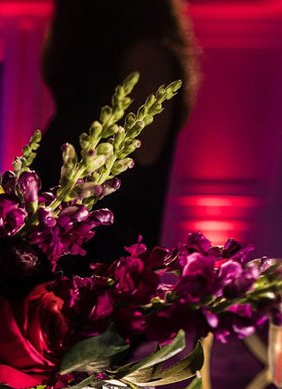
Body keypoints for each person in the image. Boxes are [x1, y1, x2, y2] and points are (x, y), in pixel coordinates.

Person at [31, 0, 198, 259]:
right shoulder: (99, 58)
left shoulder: (146, 56)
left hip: (99, 256)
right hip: (64, 241)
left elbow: (140, 157)